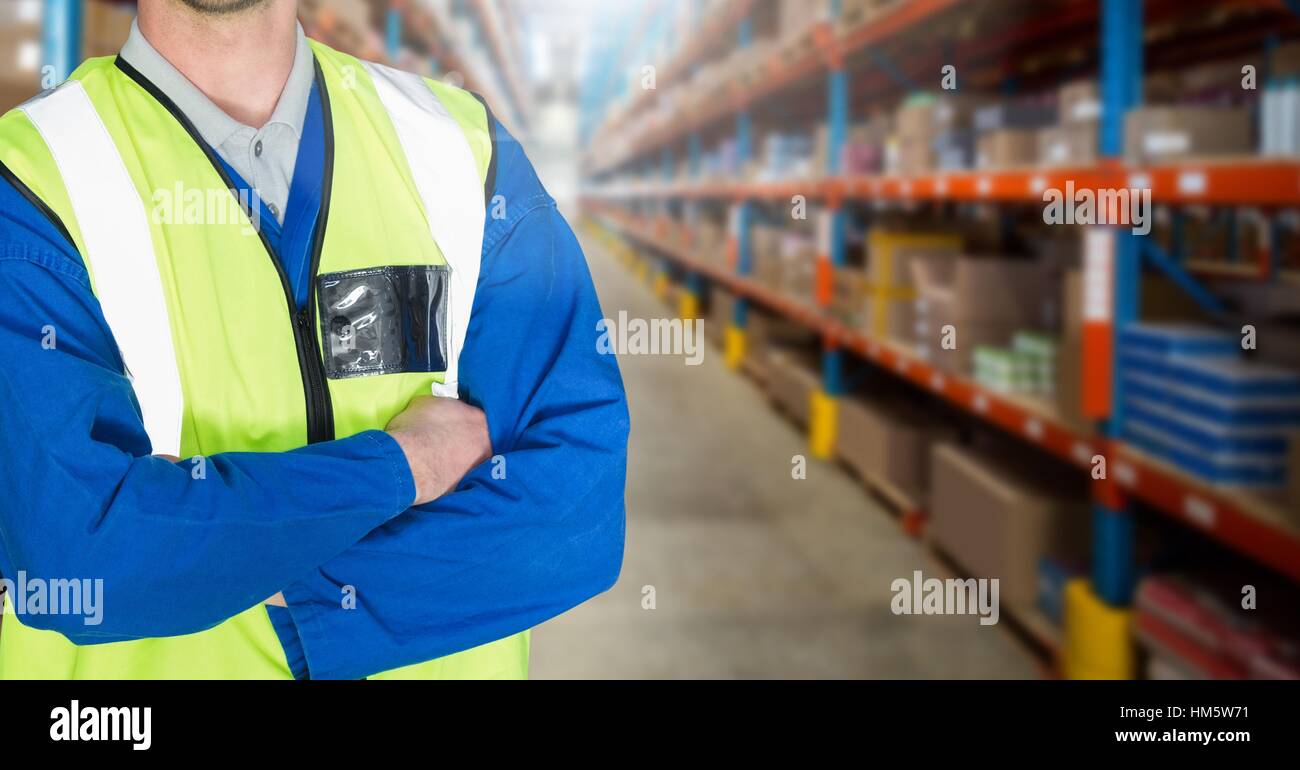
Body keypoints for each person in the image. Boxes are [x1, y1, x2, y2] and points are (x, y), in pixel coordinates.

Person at [0, 0, 628, 679]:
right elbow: (81, 554)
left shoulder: (461, 150)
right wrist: (407, 464)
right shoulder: (30, 182)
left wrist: (261, 581)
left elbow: (575, 514)